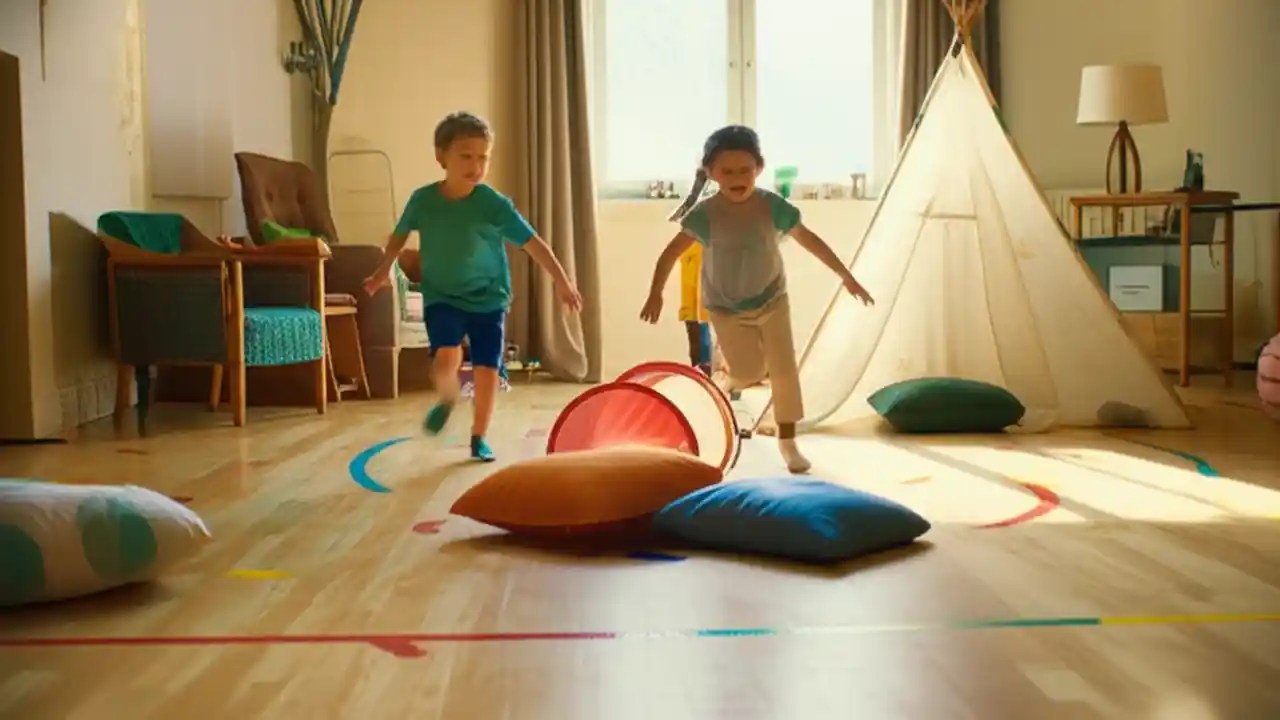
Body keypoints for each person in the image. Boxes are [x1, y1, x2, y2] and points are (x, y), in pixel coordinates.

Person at [640, 125, 874, 473]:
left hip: (772, 299)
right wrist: (655, 293)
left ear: (759, 168)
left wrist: (846, 275)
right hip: (725, 306)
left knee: (784, 370)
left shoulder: (771, 206)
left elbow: (809, 239)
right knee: (749, 371)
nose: (737, 178)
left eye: (745, 170)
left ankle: (788, 442)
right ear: (711, 173)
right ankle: (725, 376)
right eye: (727, 171)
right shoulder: (705, 213)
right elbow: (670, 253)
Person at [363, 111, 582, 462]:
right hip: (442, 295)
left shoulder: (493, 204)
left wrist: (562, 281)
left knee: (486, 369)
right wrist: (381, 272)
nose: (476, 166)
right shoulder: (423, 200)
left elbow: (534, 243)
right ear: (441, 156)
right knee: (446, 356)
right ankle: (448, 398)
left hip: (488, 297)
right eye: (466, 156)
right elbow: (398, 238)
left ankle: (479, 436)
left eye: (483, 157)